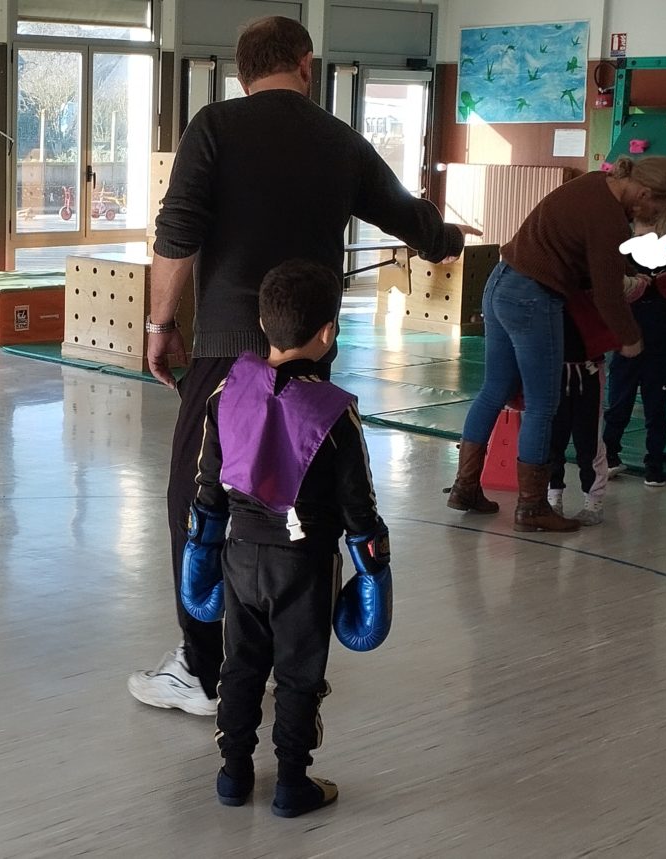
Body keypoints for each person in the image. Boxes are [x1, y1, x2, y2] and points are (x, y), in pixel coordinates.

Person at [135, 14, 470, 716]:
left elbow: (177, 235)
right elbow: (411, 218)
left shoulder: (216, 127)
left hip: (229, 355)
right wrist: (446, 238)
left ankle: (201, 667)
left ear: (241, 71)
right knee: (300, 511)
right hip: (312, 360)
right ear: (306, 66)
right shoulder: (341, 141)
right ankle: (293, 664)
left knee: (200, 506)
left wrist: (160, 324)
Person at [189, 260, 387, 818]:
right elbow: (359, 509)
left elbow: (208, 487)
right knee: (299, 673)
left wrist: (200, 555)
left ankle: (233, 776)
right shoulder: (336, 414)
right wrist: (375, 570)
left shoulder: (227, 389)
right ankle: (292, 783)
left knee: (241, 665)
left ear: (261, 320)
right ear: (329, 332)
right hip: (302, 565)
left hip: (238, 555)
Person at [446, 155, 666, 532]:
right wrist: (631, 340)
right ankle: (531, 506)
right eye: (657, 208)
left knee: (493, 390)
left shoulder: (596, 183)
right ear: (644, 192)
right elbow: (608, 293)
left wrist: (640, 276)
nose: (653, 215)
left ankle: (465, 488)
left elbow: (601, 264)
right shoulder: (608, 218)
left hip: (500, 282)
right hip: (532, 296)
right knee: (544, 404)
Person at [603, 213, 666, 486]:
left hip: (657, 354)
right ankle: (610, 455)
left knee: (656, 409)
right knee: (618, 405)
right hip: (627, 349)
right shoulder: (626, 266)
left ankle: (654, 464)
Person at [544, 311, 610, 525]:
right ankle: (553, 496)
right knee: (552, 438)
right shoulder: (551, 289)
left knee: (588, 439)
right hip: (556, 368)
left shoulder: (593, 288)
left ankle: (593, 502)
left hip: (587, 370)